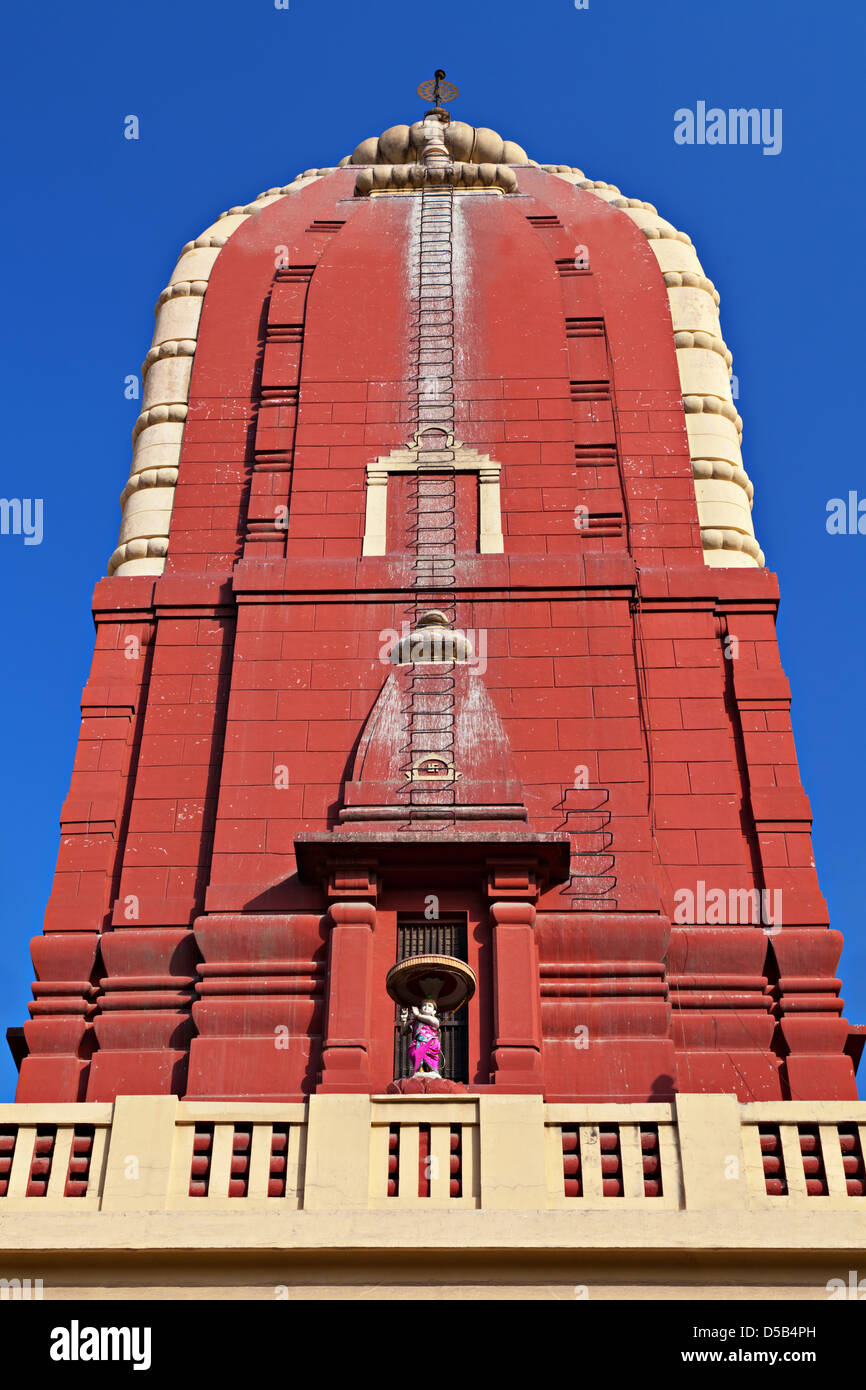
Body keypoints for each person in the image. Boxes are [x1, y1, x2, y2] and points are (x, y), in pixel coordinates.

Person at [400, 999, 443, 1077]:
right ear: (420, 1009)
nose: (426, 1007)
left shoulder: (433, 1020)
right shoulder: (414, 1022)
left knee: (429, 1064)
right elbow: (403, 1032)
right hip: (417, 1044)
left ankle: (430, 1072)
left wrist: (418, 1015)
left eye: (429, 1006)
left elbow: (434, 1022)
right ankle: (420, 1072)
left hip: (430, 1044)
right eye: (424, 1005)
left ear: (434, 1012)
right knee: (418, 1058)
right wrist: (404, 1019)